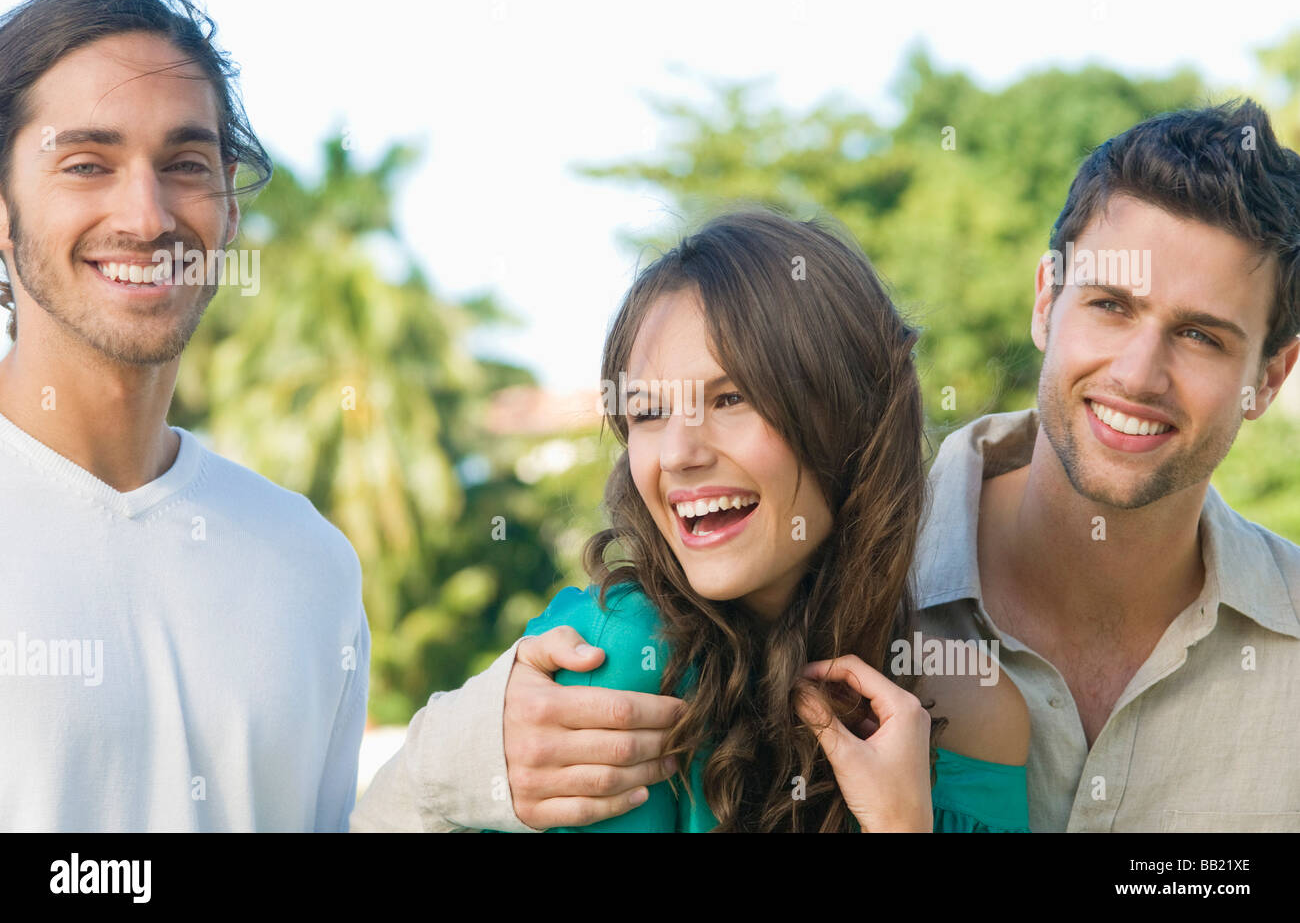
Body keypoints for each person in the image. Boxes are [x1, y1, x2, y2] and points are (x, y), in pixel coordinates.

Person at [352, 99, 1300, 834]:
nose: (1139, 372)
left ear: (1272, 375)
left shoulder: (966, 704)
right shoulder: (623, 658)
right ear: (1046, 300)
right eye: (1112, 306)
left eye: (1203, 336)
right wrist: (470, 746)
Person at [354, 209, 1030, 832]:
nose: (678, 454)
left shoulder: (971, 702)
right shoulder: (619, 660)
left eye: (731, 397)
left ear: (851, 414)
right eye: (648, 413)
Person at [0, 0, 369, 831]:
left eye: (186, 164)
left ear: (230, 211)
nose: (147, 213)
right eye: (87, 163)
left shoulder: (310, 565)